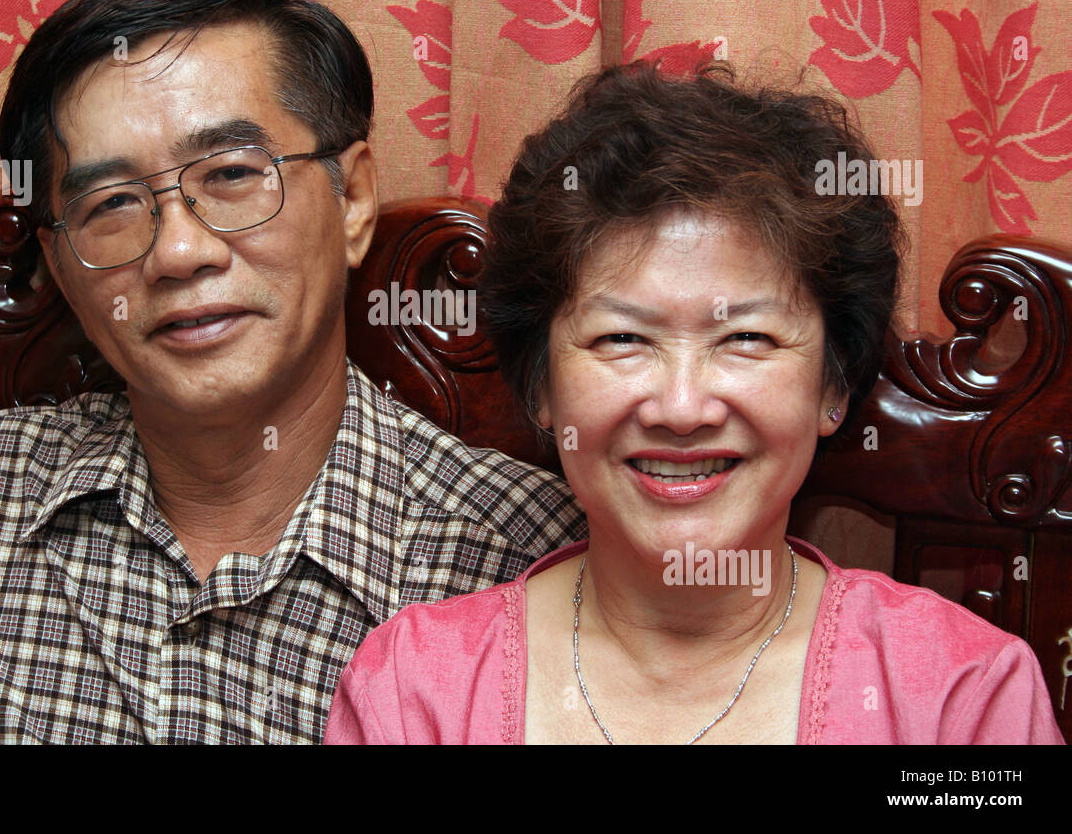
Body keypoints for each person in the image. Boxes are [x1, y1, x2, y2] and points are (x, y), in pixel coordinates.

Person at [0, 0, 586, 744]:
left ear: (354, 199)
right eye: (111, 203)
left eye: (231, 174)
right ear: (59, 263)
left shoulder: (529, 563)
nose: (179, 252)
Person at [324, 62, 1065, 744]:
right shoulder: (414, 695)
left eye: (746, 338)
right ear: (541, 386)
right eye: (621, 338)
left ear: (833, 386)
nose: (681, 409)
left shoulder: (961, 700)